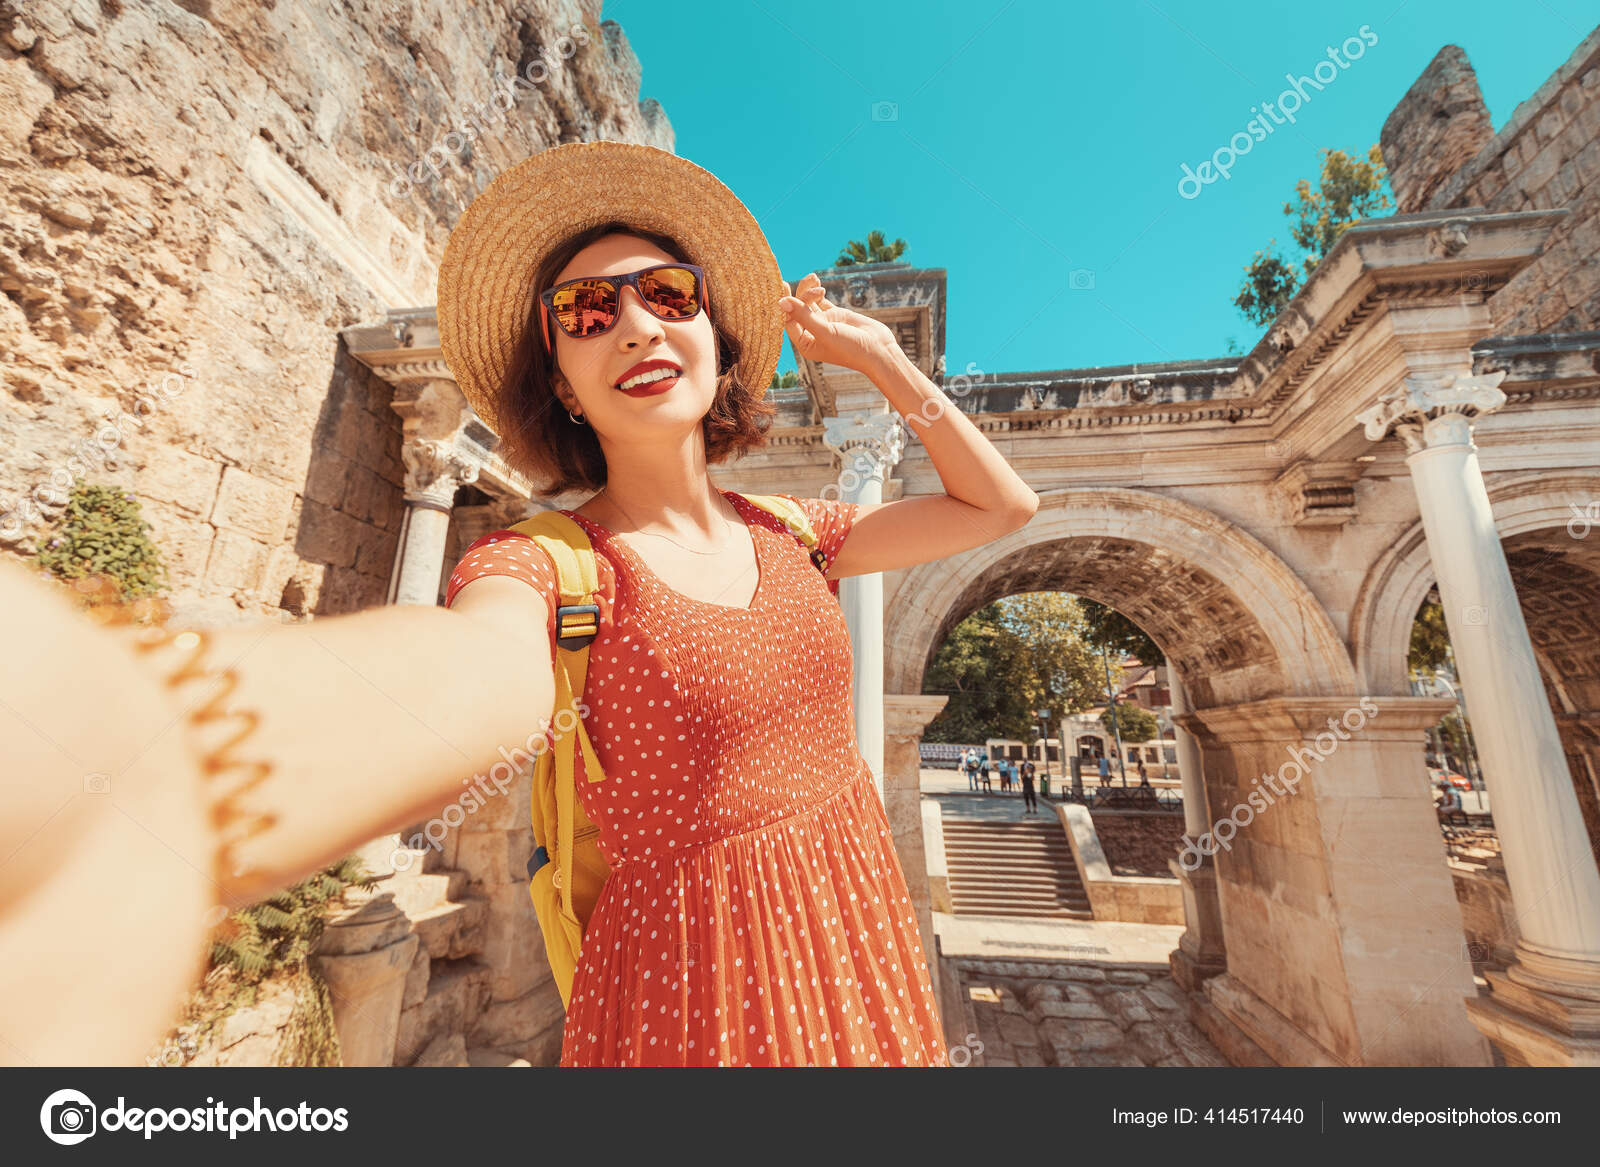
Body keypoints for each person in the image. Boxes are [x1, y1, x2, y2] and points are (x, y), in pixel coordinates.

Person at [0, 141, 1041, 1068]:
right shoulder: (545, 564)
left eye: (667, 295)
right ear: (563, 380)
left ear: (716, 340)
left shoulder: (800, 531)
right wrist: (161, 760)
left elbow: (999, 506)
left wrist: (887, 361)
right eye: (589, 312)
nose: (633, 324)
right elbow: (465, 675)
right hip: (697, 982)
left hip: (850, 920)